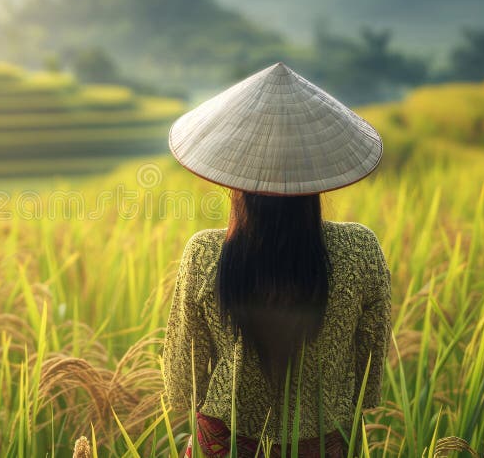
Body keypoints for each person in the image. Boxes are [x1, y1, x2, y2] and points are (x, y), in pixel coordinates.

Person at [163, 63, 392, 457]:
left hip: (225, 438)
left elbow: (185, 370)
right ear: (316, 174)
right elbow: (371, 352)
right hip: (323, 438)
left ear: (236, 173)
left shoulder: (203, 252)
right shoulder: (360, 248)